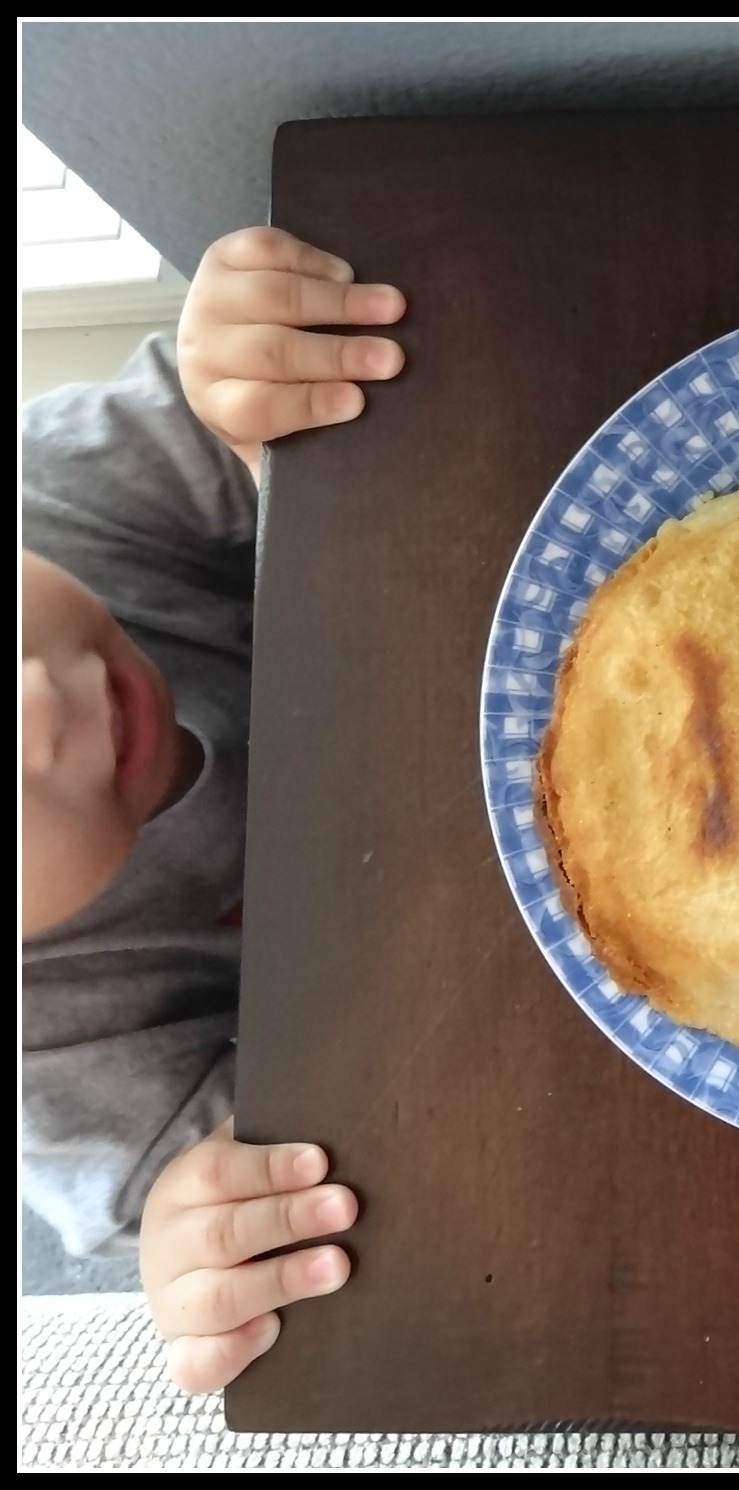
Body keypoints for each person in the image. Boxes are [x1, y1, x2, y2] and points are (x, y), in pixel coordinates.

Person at [21, 227, 407, 1394]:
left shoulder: (51, 493)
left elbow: (237, 403)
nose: (39, 701)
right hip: (459, 956)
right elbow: (216, 1181)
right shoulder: (50, 1058)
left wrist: (247, 377)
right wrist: (204, 1226)